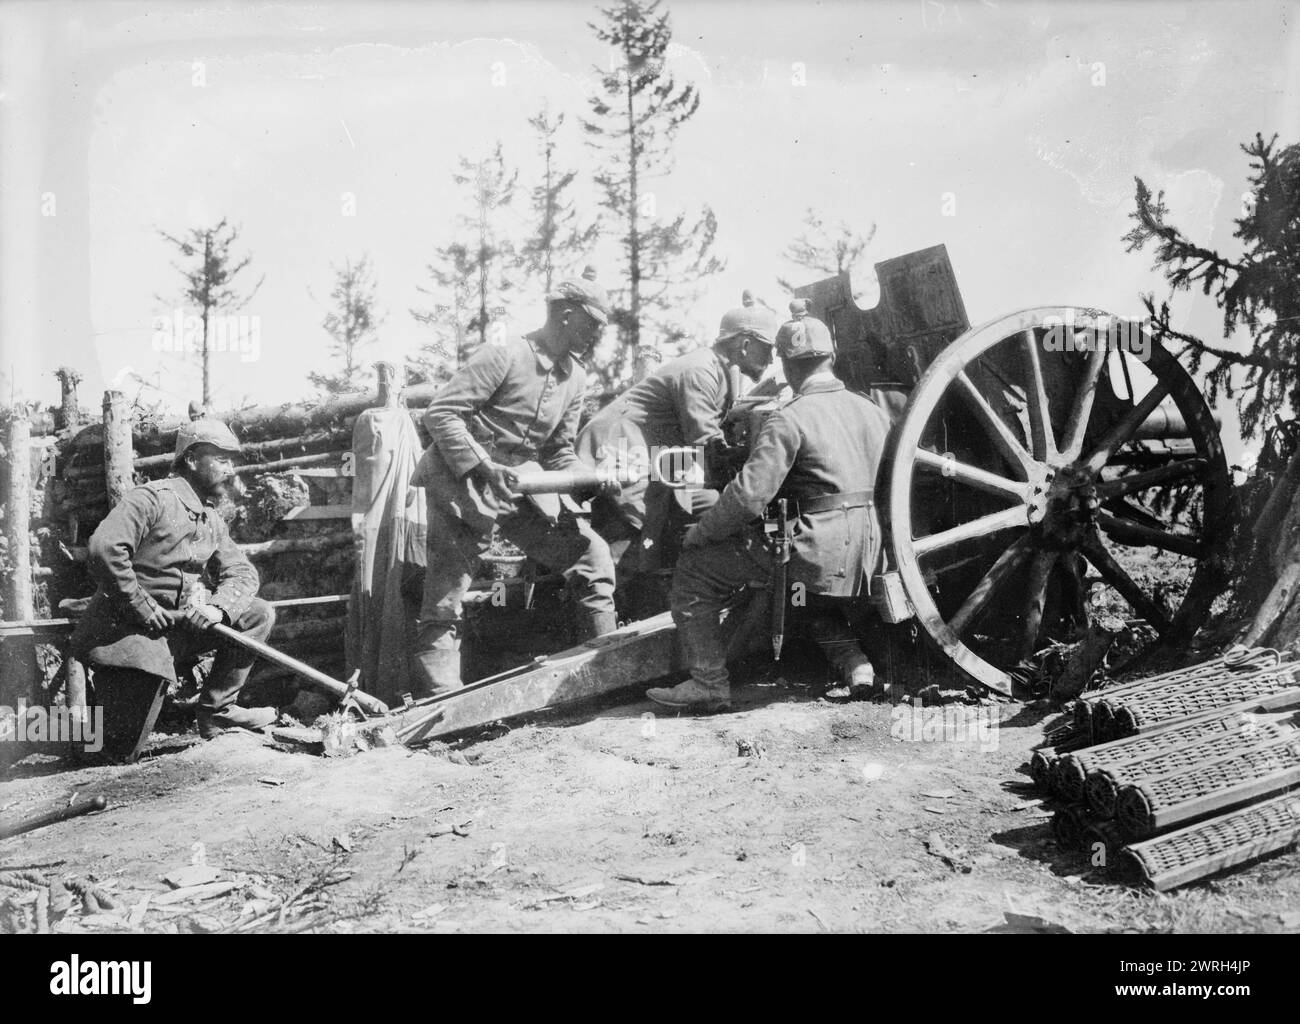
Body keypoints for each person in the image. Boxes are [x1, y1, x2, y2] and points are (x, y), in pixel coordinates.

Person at [647, 299, 893, 712]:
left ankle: (708, 683)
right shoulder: (872, 411)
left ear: (788, 366)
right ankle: (856, 666)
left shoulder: (789, 418)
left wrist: (701, 533)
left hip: (816, 551)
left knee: (695, 571)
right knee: (803, 594)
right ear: (831, 357)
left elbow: (748, 497)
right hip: (871, 550)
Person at [410, 266, 621, 696]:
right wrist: (485, 466)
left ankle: (608, 672)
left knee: (591, 556)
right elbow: (441, 414)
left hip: (520, 487)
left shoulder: (575, 377)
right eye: (592, 323)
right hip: (460, 485)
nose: (597, 335)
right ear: (566, 314)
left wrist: (590, 478)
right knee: (446, 597)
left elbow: (557, 450)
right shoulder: (503, 353)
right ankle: (441, 703)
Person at [71, 420, 278, 739]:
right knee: (117, 752)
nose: (231, 469)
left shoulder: (211, 518)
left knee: (258, 613)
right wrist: (142, 606)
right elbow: (105, 549)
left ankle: (217, 711)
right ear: (192, 459)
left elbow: (243, 572)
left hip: (179, 629)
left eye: (231, 461)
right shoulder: (151, 498)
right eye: (222, 460)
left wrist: (217, 608)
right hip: (130, 633)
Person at [575, 292, 779, 581]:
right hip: (620, 447)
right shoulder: (700, 370)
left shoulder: (715, 369)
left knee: (695, 509)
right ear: (745, 345)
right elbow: (707, 445)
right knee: (629, 540)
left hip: (655, 455)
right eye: (767, 348)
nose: (771, 358)